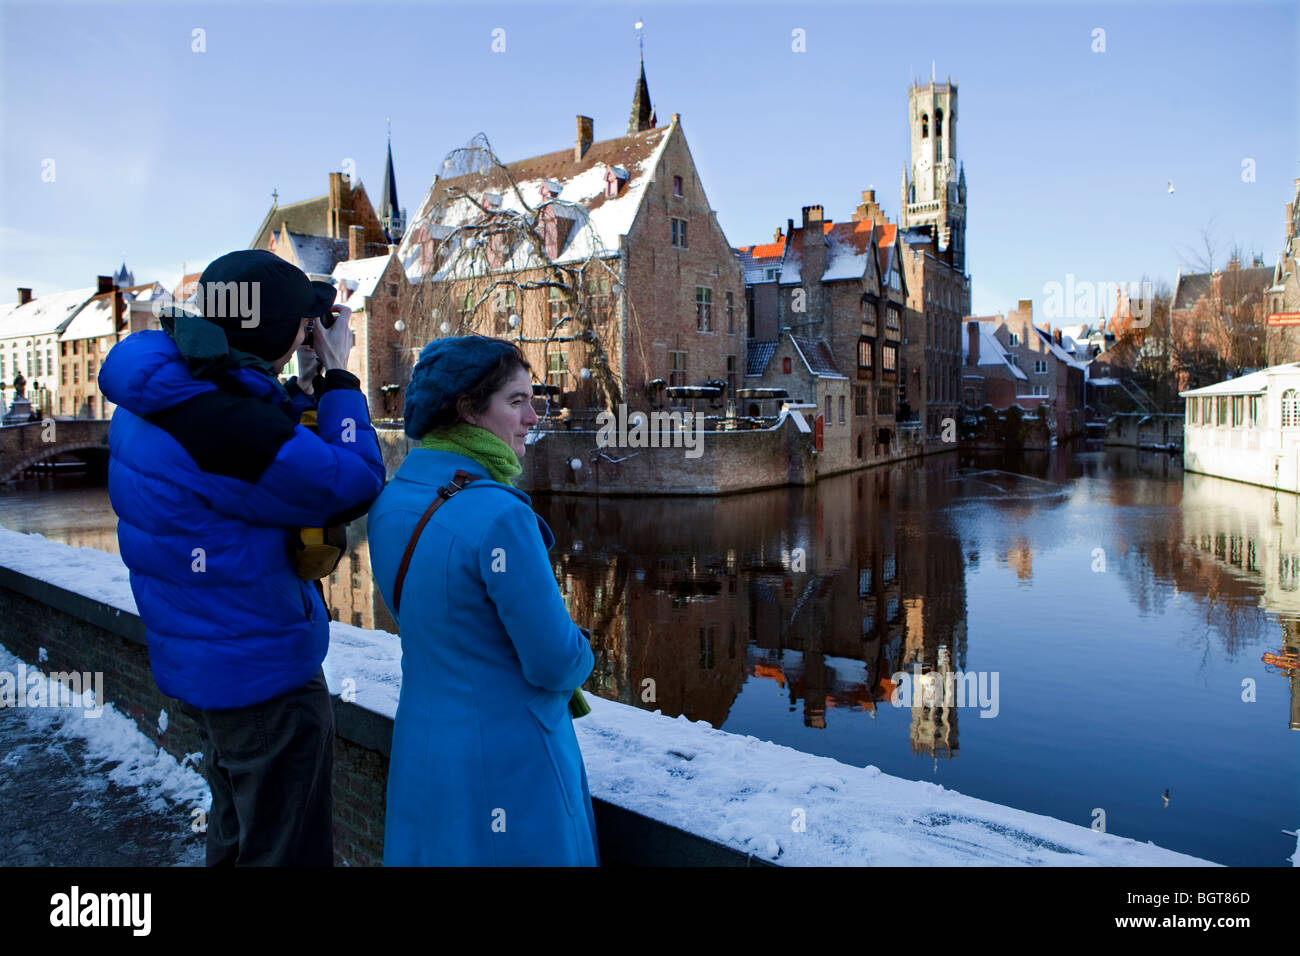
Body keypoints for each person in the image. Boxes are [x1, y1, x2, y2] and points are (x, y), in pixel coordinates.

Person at [98, 249, 386, 866]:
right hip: (261, 676)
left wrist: (300, 385)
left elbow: (259, 443)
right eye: (300, 324)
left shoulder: (162, 390)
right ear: (281, 332)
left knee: (237, 831)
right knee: (285, 850)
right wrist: (338, 378)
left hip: (201, 654)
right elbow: (351, 481)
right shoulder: (218, 423)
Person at [367, 335, 598, 866]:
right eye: (516, 402)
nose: (533, 417)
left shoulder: (392, 500)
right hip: (508, 760)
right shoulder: (500, 515)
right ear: (468, 409)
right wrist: (583, 645)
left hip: (425, 747)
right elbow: (555, 661)